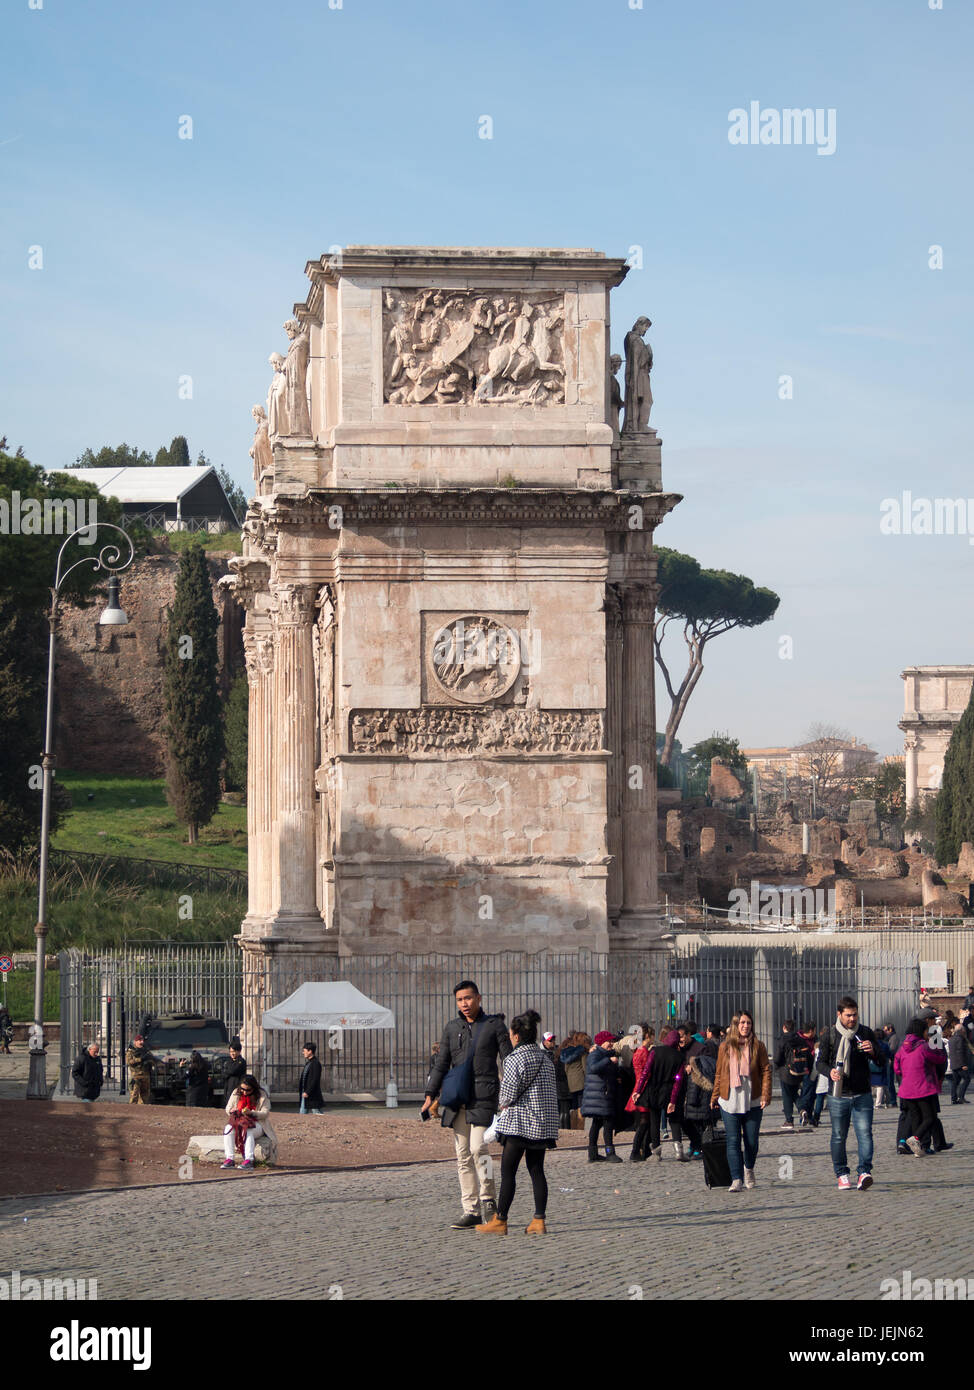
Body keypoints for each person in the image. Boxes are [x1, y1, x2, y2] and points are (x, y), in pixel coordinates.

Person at [422, 979, 512, 1229]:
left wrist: (509, 1095)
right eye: (460, 1000)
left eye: (469, 998)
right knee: (462, 1155)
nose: (465, 1003)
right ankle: (470, 1209)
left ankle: (488, 1200)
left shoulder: (494, 1025)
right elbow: (441, 1063)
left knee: (477, 1148)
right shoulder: (452, 1028)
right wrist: (430, 1093)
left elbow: (508, 1058)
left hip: (484, 1095)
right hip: (457, 1096)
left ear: (479, 998)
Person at [476, 1010, 558, 1235]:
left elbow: (507, 1095)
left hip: (520, 1124)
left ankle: (500, 1220)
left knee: (508, 1171)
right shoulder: (545, 1059)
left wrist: (503, 1103)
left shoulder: (514, 1059)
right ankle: (539, 1220)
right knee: (537, 1171)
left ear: (516, 1035)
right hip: (542, 1125)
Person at [817, 995, 878, 1190]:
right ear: (839, 1014)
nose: (852, 1019)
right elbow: (820, 1063)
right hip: (838, 1095)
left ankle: (864, 1172)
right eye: (848, 1015)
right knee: (838, 1136)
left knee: (865, 1134)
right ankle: (842, 1174)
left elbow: (883, 1060)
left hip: (862, 1093)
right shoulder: (830, 1035)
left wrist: (873, 1051)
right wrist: (830, 1072)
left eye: (855, 1015)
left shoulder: (865, 1032)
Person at [710, 1011, 772, 1191]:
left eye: (749, 1023)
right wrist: (714, 1096)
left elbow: (766, 1070)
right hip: (729, 1100)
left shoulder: (758, 1046)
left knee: (751, 1141)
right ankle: (736, 1178)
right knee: (733, 1140)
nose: (746, 1026)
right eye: (743, 1023)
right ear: (736, 1025)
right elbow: (719, 1073)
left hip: (752, 1099)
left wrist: (766, 1095)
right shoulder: (724, 1047)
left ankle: (749, 1169)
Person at [895, 1018, 948, 1154]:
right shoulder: (924, 1046)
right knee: (929, 1117)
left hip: (906, 1089)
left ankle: (918, 1148)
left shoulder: (903, 1047)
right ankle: (915, 1139)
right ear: (921, 1031)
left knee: (915, 1117)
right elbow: (939, 1058)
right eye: (926, 1030)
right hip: (922, 1087)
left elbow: (897, 1068)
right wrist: (937, 1043)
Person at [643, 1028, 683, 1161]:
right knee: (674, 1119)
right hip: (670, 1091)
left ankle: (656, 1151)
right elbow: (678, 1079)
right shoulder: (679, 1056)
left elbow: (646, 1072)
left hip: (654, 1090)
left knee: (655, 1120)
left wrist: (638, 1090)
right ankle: (678, 1150)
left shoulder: (655, 1051)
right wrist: (673, 1099)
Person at [581, 1032, 622, 1162]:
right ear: (601, 1042)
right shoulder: (596, 1054)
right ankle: (610, 1153)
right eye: (608, 1041)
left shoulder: (605, 1054)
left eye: (612, 1041)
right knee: (607, 1124)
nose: (611, 1043)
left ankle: (592, 1154)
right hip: (599, 1096)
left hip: (602, 1096)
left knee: (597, 1124)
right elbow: (593, 1068)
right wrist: (608, 1061)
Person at [222, 1073, 276, 1169]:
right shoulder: (236, 1092)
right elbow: (228, 1108)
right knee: (227, 1129)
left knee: (247, 1130)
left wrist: (251, 1113)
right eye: (242, 1089)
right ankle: (230, 1159)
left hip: (258, 1123)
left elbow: (265, 1113)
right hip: (239, 1121)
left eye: (248, 1090)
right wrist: (232, 1111)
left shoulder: (262, 1095)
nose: (245, 1092)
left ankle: (249, 1160)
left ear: (254, 1088)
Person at [683, 1024, 720, 1158]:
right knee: (701, 1124)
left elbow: (697, 1085)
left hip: (699, 1097)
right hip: (702, 1097)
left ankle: (699, 1147)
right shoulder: (710, 1061)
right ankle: (698, 1146)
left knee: (698, 1124)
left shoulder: (698, 1061)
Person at [774, 1019, 812, 1132]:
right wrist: (807, 1069)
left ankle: (789, 1120)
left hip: (785, 1071)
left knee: (786, 1095)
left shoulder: (782, 1040)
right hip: (799, 1072)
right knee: (794, 1093)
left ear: (784, 1027)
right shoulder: (800, 1039)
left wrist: (777, 1067)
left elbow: (777, 1058)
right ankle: (802, 1110)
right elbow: (809, 1056)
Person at [626, 1024, 655, 1160]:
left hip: (638, 1086)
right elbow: (647, 1072)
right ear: (647, 1036)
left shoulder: (637, 1051)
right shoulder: (644, 1051)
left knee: (644, 1121)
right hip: (643, 1088)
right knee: (644, 1122)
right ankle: (635, 1150)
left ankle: (642, 1150)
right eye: (652, 1035)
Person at [541, 1032, 572, 1129]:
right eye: (550, 1040)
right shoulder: (540, 1054)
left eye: (553, 1040)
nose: (553, 1042)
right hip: (548, 1087)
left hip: (561, 1085)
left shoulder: (559, 1051)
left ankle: (564, 1129)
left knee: (564, 1112)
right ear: (544, 1042)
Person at [559, 1032, 590, 1124]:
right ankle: (580, 1124)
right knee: (581, 1104)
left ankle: (573, 1124)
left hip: (571, 1082)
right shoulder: (582, 1052)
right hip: (581, 1081)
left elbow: (566, 1069)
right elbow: (585, 1068)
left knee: (574, 1105)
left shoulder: (568, 1052)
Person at [125, 1033, 152, 1105]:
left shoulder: (146, 1050)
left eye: (142, 1040)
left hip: (145, 1076)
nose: (141, 1042)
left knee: (145, 1096)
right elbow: (129, 1062)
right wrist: (141, 1059)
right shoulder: (131, 1052)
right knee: (134, 1095)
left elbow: (152, 1061)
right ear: (135, 1042)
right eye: (139, 1040)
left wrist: (149, 1061)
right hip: (136, 1076)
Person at [299, 1041, 325, 1115]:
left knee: (317, 1114)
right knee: (302, 1114)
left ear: (310, 1051)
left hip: (312, 1095)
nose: (303, 1053)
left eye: (304, 1051)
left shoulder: (315, 1063)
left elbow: (315, 1079)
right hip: (306, 1093)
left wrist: (308, 1091)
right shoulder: (309, 1063)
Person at [951, 1018, 973, 1103]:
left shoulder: (952, 1039)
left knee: (955, 1081)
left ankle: (954, 1098)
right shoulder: (960, 1039)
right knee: (967, 1079)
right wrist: (963, 1064)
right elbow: (960, 1052)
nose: (965, 1031)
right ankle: (961, 1097)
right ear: (961, 1030)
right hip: (960, 1064)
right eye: (963, 1029)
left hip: (954, 1063)